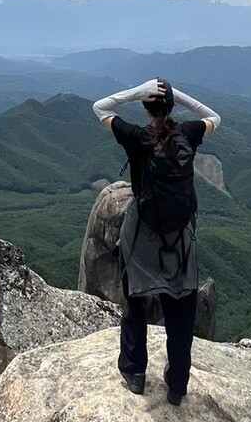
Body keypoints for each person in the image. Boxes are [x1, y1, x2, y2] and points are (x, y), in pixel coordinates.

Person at [92, 77, 220, 405]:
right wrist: (178, 97)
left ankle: (134, 372)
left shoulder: (137, 137)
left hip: (142, 234)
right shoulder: (189, 134)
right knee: (181, 309)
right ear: (172, 105)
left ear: (146, 106)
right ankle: (177, 384)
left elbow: (100, 107)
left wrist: (138, 91)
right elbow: (214, 116)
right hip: (178, 239)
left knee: (135, 299)